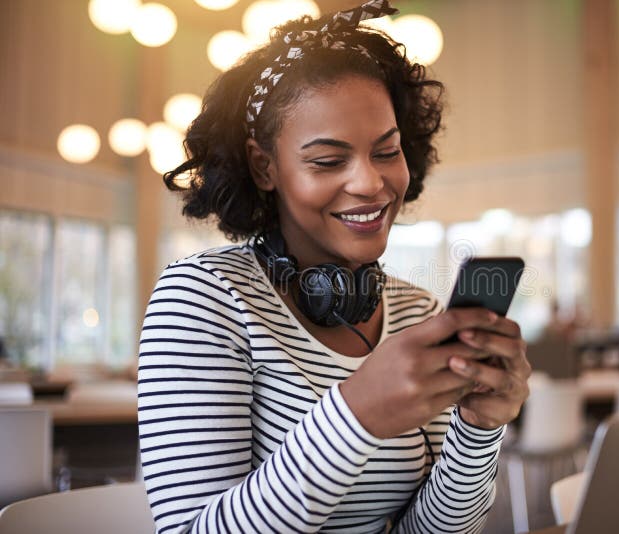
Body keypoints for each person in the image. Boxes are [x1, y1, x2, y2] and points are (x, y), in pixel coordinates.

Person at [138, 1, 530, 532]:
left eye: (387, 152)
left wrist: (479, 430)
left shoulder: (419, 312)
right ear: (264, 165)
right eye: (327, 160)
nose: (370, 183)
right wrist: (356, 414)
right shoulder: (204, 299)